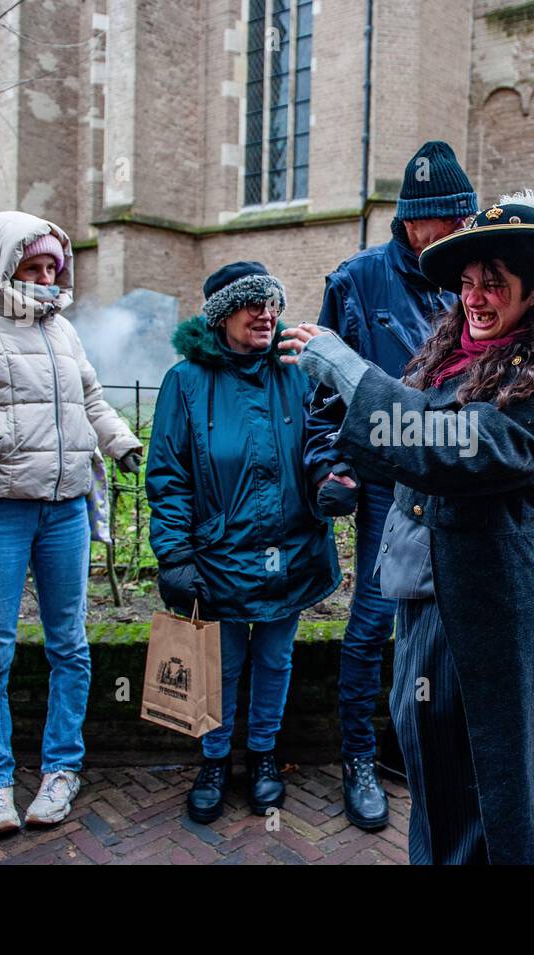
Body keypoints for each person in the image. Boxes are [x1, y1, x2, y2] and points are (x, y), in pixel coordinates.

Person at [281, 191, 534, 864]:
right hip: (424, 594)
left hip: (481, 607)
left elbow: (451, 444)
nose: (476, 298)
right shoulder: (458, 356)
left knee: (486, 784)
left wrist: (350, 370)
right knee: (434, 767)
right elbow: (410, 436)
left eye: (495, 284)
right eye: (469, 283)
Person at [0, 211, 143, 838]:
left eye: (52, 268)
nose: (46, 279)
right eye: (32, 267)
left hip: (65, 509)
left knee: (70, 642)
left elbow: (90, 398)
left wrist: (119, 441)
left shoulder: (61, 330)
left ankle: (61, 769)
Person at [303, 140, 476, 830]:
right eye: (448, 223)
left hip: (453, 473)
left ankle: (410, 739)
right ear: (414, 222)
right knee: (374, 618)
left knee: (433, 622)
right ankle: (358, 758)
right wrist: (330, 466)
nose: (459, 235)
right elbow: (322, 389)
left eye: (465, 220)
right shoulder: (357, 280)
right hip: (383, 481)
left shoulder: (471, 274)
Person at [146, 261, 340, 823]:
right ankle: (213, 760)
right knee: (221, 664)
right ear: (221, 315)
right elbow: (169, 474)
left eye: (273, 303)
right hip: (219, 555)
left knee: (276, 660)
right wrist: (176, 554)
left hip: (292, 546)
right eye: (253, 303)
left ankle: (262, 756)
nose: (267, 313)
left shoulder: (298, 371)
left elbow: (325, 442)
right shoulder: (185, 382)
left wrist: (333, 480)